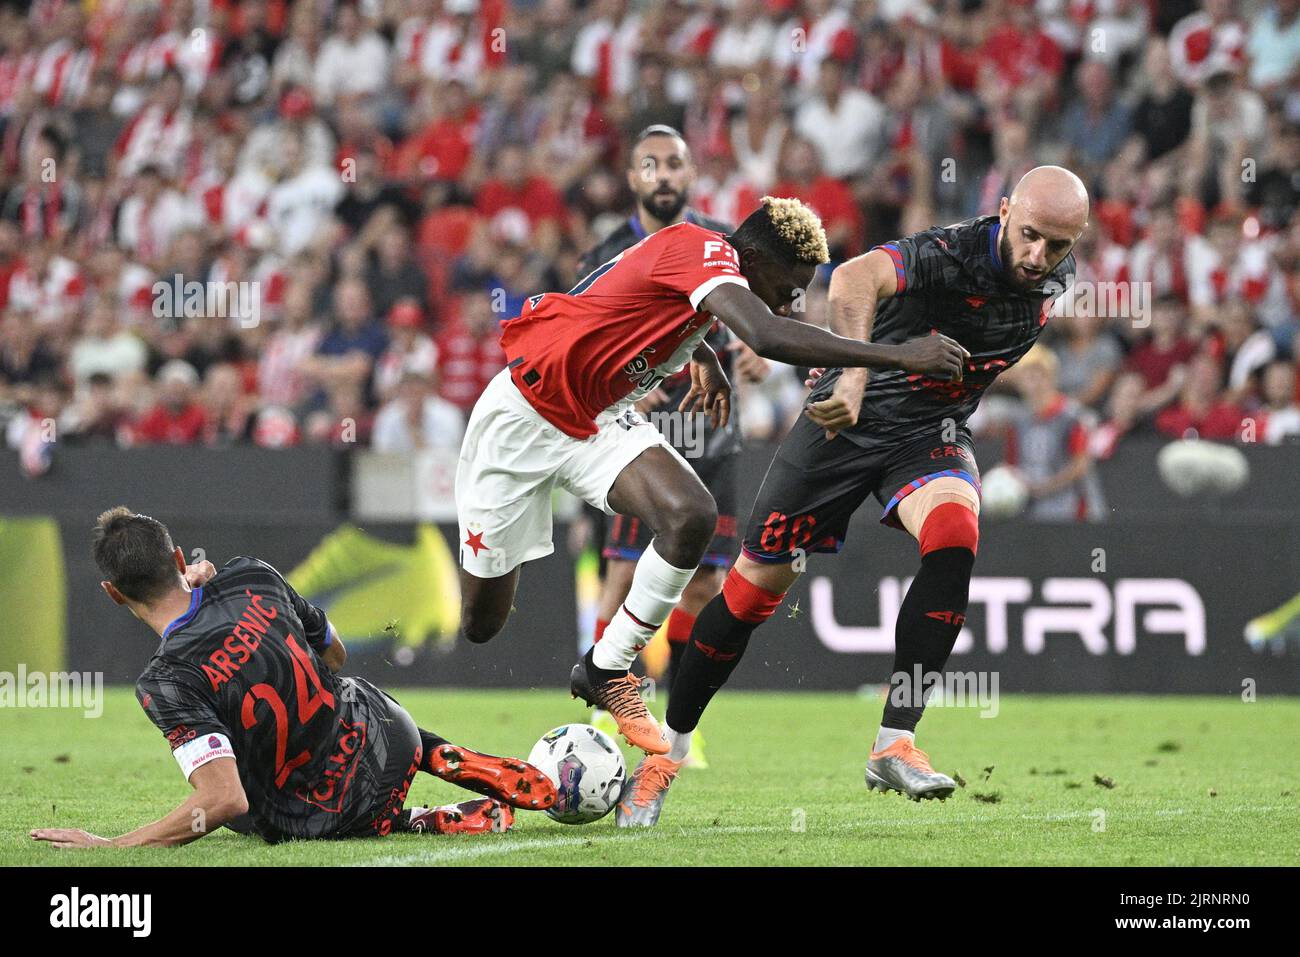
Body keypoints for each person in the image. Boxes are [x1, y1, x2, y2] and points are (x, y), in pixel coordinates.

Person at [618, 166, 1087, 826]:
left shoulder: (1054, 279)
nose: (1039, 256)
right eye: (1031, 235)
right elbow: (851, 278)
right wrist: (852, 381)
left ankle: (895, 741)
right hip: (842, 422)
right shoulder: (950, 251)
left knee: (955, 537)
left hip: (930, 433)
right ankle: (667, 752)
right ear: (1004, 211)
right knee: (750, 594)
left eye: (1058, 245)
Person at [455, 195, 967, 757]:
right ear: (752, 259)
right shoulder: (704, 249)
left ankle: (607, 666)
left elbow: (646, 295)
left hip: (596, 420)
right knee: (481, 625)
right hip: (521, 419)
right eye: (787, 288)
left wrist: (703, 356)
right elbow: (766, 334)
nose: (792, 304)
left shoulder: (706, 269)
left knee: (689, 515)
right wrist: (898, 356)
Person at [29, 508, 556, 849]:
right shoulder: (250, 573)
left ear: (113, 592)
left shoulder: (165, 681)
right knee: (345, 698)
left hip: (333, 810)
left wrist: (112, 846)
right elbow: (337, 654)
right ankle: (436, 754)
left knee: (250, 810)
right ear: (175, 557)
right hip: (391, 733)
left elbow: (224, 800)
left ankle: (412, 819)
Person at [577, 126, 766, 761]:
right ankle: (612, 706)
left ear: (692, 174)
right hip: (640, 439)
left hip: (712, 438)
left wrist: (758, 357)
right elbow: (580, 333)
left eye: (675, 165)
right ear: (632, 178)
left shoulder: (720, 244)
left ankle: (681, 725)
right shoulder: (606, 251)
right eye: (650, 165)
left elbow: (754, 315)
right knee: (623, 574)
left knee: (704, 587)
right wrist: (623, 376)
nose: (663, 176)